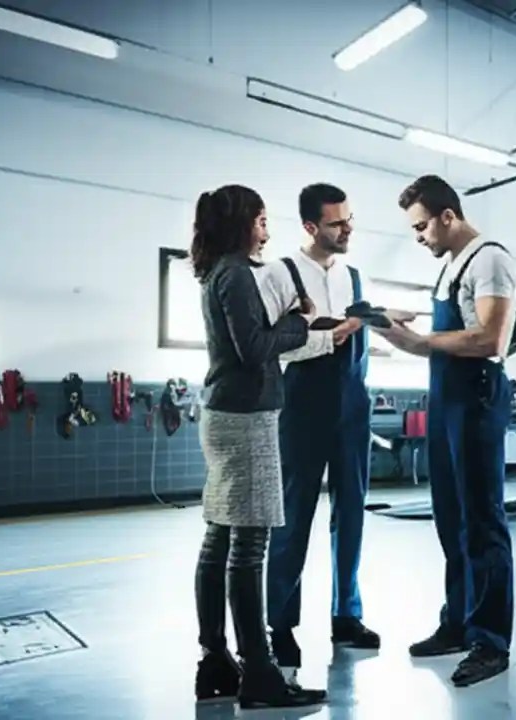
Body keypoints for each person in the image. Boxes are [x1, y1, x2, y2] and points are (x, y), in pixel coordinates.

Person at [257, 183, 408, 678]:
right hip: (302, 403)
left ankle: (348, 616)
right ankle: (280, 627)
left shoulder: (353, 275)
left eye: (349, 220)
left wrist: (376, 322)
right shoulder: (280, 273)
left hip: (353, 403)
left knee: (352, 513)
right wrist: (335, 333)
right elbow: (274, 348)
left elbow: (359, 334)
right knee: (293, 516)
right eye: (336, 223)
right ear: (309, 227)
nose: (347, 230)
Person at [373, 174, 516, 688]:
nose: (419, 237)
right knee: (450, 518)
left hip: (476, 395)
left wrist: (422, 343)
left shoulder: (490, 259)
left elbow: (490, 337)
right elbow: (438, 338)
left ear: (447, 216)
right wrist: (397, 333)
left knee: (482, 521)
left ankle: (490, 641)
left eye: (420, 227)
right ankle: (458, 621)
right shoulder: (450, 267)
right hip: (445, 399)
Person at [189, 184, 328, 709]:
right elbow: (254, 349)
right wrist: (300, 322)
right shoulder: (238, 274)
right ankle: (260, 674)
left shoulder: (218, 272)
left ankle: (215, 661)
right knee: (248, 547)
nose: (268, 229)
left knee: (220, 539)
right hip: (247, 418)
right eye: (262, 219)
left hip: (227, 413)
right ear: (242, 223)